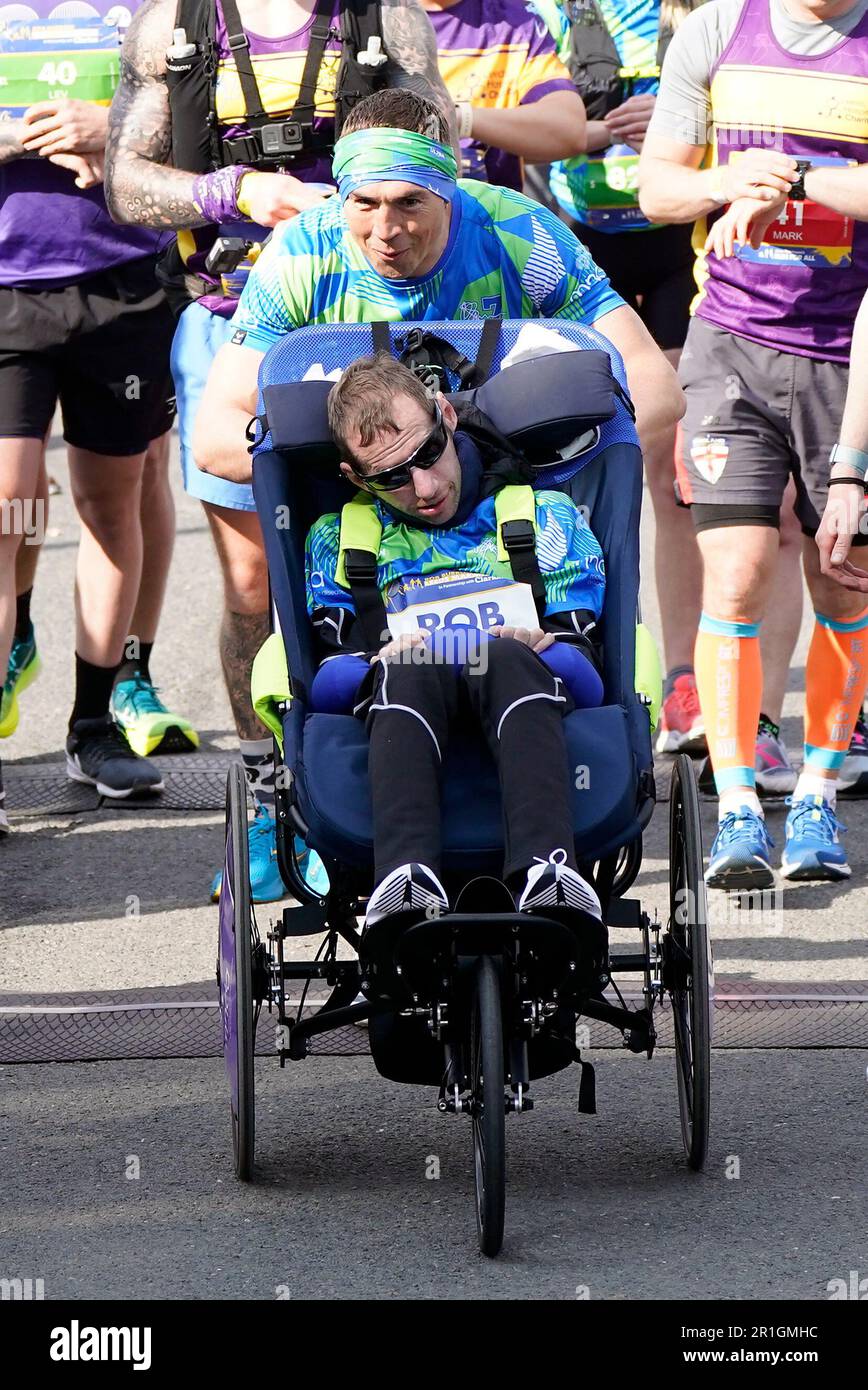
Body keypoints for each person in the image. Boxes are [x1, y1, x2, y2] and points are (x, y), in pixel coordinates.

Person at [105, 0, 457, 902]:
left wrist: (350, 206)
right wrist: (231, 192)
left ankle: (412, 773)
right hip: (234, 327)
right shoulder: (172, 25)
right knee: (258, 585)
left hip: (382, 322)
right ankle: (270, 799)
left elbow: (442, 153)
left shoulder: (391, 22)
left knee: (413, 543)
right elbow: (125, 183)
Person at [638, 0, 868, 886]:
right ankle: (737, 803)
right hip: (729, 344)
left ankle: (816, 791)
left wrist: (798, 180)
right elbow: (657, 188)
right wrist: (722, 183)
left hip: (851, 355)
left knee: (841, 578)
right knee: (735, 570)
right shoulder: (716, 29)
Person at [193, 89, 684, 496]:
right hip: (368, 489)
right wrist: (384, 475)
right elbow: (214, 437)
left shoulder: (517, 232)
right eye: (363, 203)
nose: (385, 229)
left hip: (516, 486)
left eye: (409, 202)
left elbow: (655, 386)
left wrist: (547, 468)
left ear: (450, 192)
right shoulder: (301, 254)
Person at [309, 353, 607, 939]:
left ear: (446, 414)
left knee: (501, 654)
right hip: (402, 707)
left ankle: (549, 874)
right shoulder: (341, 541)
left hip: (526, 698)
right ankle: (404, 882)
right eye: (390, 477)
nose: (422, 489)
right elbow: (322, 682)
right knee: (412, 665)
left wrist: (547, 649)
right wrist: (379, 659)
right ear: (355, 479)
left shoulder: (545, 518)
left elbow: (593, 675)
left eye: (427, 456)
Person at [0, 0, 188, 812]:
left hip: (127, 286)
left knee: (110, 507)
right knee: (10, 510)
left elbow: (206, 122)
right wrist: (28, 135)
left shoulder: (161, 5)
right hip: (9, 287)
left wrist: (109, 128)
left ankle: (93, 722)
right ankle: (20, 643)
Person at [421, 0, 586, 191]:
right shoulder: (381, 19)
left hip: (490, 213)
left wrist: (459, 118)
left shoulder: (517, 19)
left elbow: (569, 129)